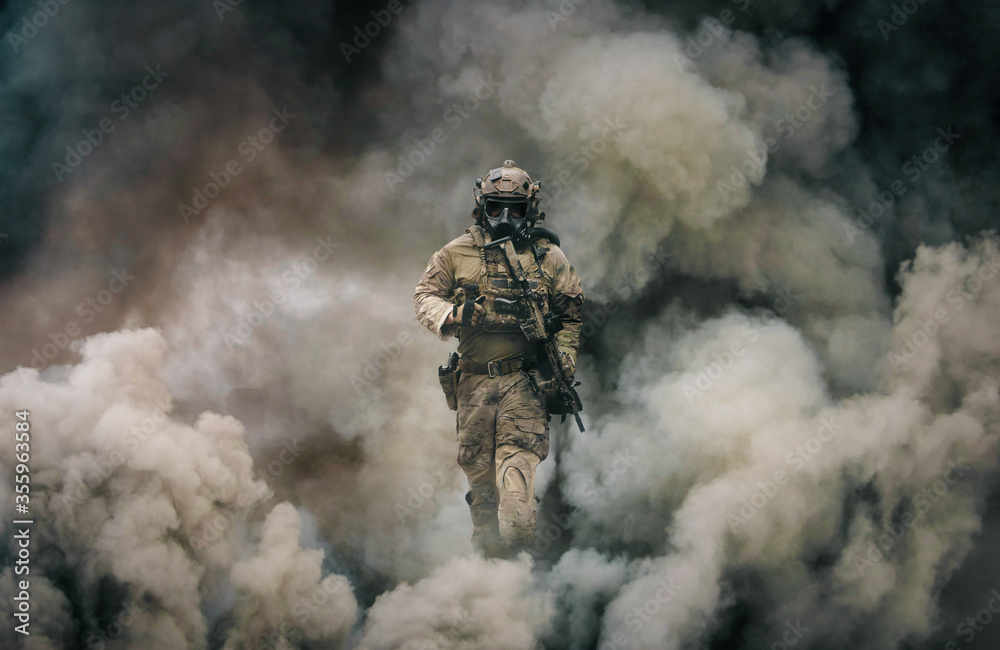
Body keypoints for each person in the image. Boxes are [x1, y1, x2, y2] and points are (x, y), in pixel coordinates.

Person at [413, 159, 584, 556]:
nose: (505, 218)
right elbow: (424, 296)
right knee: (482, 493)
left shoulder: (549, 258)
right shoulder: (456, 252)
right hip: (473, 384)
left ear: (531, 210)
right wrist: (455, 314)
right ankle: (487, 577)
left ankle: (517, 570)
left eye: (516, 210)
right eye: (495, 208)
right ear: (481, 206)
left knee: (516, 495)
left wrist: (561, 362)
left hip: (523, 384)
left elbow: (571, 316)